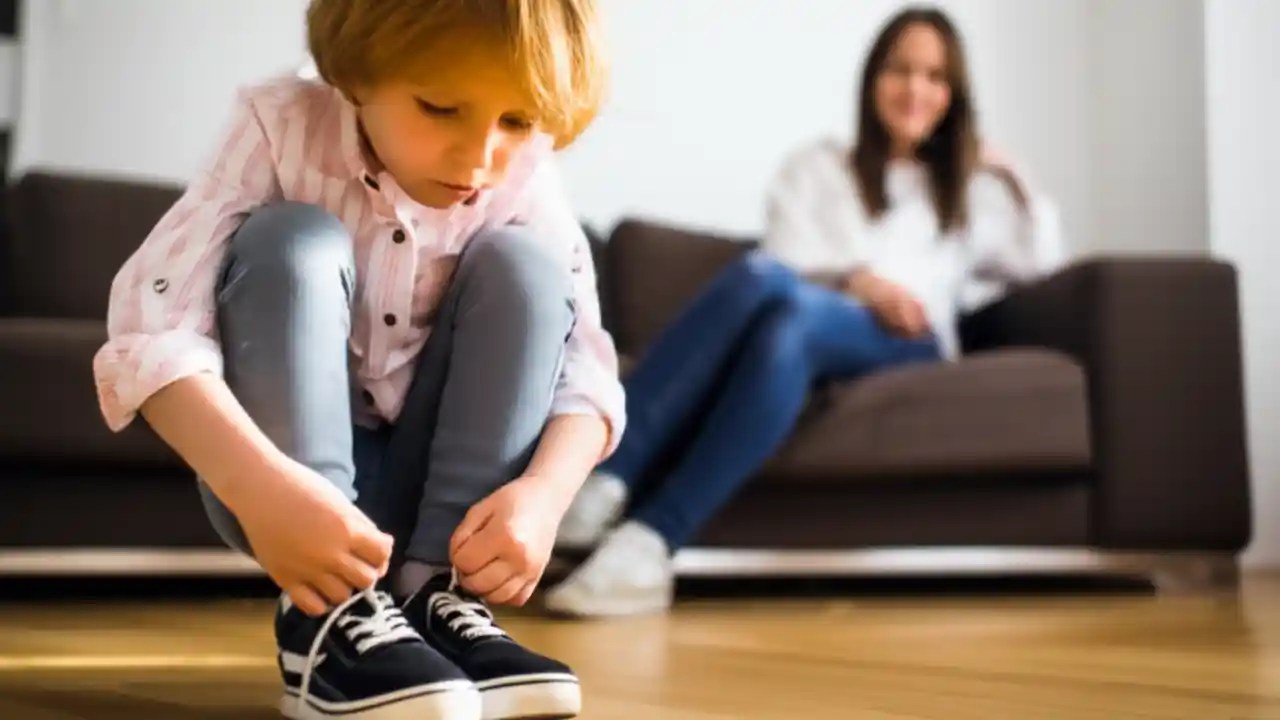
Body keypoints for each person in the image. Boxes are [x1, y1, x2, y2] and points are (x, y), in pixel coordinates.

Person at [91, 1, 624, 719]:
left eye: (519, 122)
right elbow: (151, 332)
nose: (480, 158)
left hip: (440, 502)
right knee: (293, 240)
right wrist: (263, 490)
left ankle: (438, 602)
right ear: (358, 73)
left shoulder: (522, 178)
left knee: (527, 267)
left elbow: (586, 376)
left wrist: (544, 497)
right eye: (439, 108)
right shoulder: (276, 126)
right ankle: (326, 622)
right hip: (278, 484)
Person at [544, 6, 1064, 618]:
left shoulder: (966, 193)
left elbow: (1039, 267)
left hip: (910, 344)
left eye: (935, 76)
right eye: (900, 70)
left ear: (953, 94)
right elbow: (788, 253)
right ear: (874, 78)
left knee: (774, 294)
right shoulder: (818, 166)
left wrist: (1013, 173)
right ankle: (645, 540)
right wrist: (861, 281)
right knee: (776, 311)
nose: (915, 89)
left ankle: (614, 481)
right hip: (812, 324)